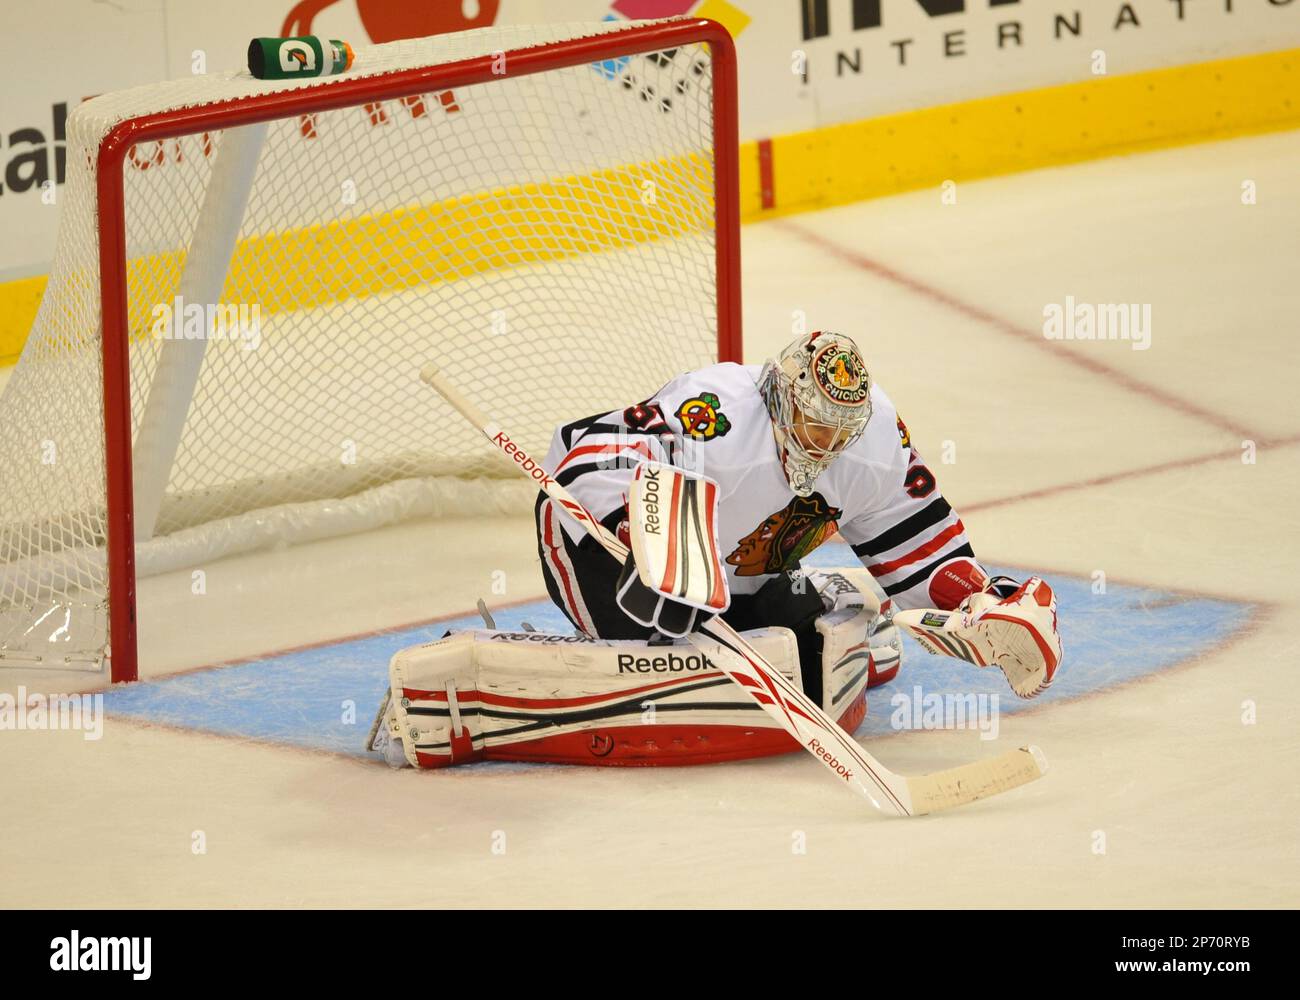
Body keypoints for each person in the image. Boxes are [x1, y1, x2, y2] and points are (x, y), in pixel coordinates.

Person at [535, 329, 1062, 701]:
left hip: (735, 573)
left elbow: (915, 536)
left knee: (810, 671)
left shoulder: (875, 438)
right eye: (815, 425)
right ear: (783, 399)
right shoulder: (716, 412)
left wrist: (978, 597)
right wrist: (646, 540)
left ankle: (812, 606)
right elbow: (588, 452)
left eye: (841, 431)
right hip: (596, 544)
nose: (828, 445)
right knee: (660, 663)